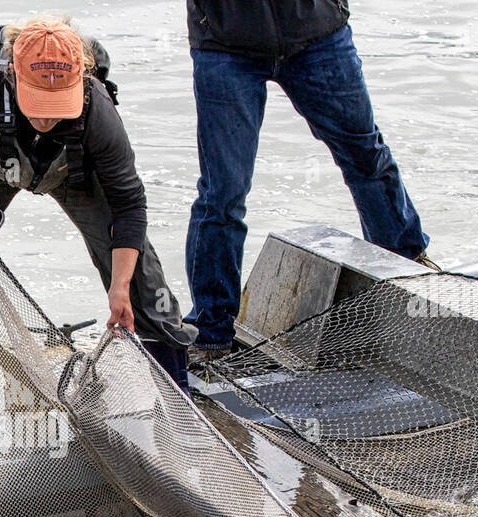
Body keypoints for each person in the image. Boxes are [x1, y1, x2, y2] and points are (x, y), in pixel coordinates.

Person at [0, 15, 197, 469]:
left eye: (58, 104)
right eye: (36, 102)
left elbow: (129, 204)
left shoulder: (97, 111)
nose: (45, 117)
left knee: (142, 281)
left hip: (73, 170)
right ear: (11, 78)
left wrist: (120, 285)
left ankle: (181, 408)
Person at [184, 1, 435, 358]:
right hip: (224, 42)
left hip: (316, 32)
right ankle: (210, 332)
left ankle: (407, 268)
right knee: (222, 191)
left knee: (365, 155)